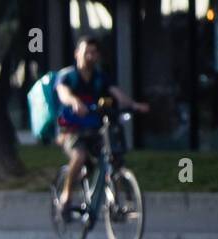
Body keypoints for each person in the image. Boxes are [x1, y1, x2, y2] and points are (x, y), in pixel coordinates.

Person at [55, 35, 149, 218]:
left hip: (95, 130)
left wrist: (134, 105)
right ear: (77, 54)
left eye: (93, 52)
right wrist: (74, 101)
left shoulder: (101, 78)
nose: (89, 56)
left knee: (113, 157)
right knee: (80, 155)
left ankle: (117, 200)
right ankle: (66, 196)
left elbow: (118, 95)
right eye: (86, 52)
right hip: (71, 130)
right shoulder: (67, 76)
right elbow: (63, 93)